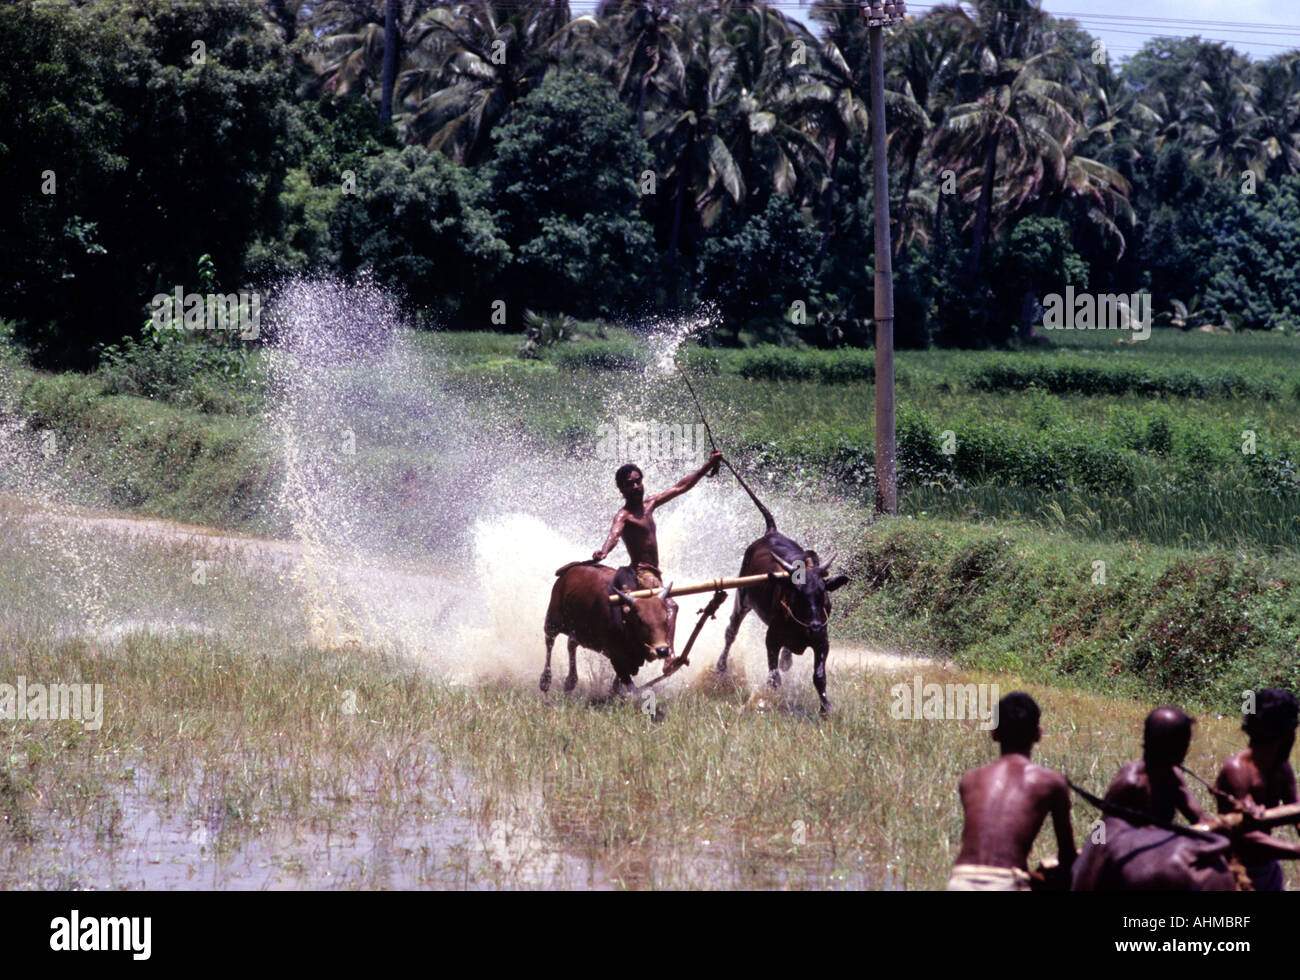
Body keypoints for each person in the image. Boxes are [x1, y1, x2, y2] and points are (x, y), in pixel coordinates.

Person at [592, 451, 723, 653]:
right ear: (621, 489)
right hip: (643, 572)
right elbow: (614, 534)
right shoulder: (624, 515)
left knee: (670, 606)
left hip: (654, 571)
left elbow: (681, 487)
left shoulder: (649, 505)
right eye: (630, 484)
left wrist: (708, 464)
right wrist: (603, 551)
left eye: (638, 482)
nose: (636, 487)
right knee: (671, 606)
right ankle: (668, 654)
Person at [948, 692, 1076, 891]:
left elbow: (991, 851)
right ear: (1038, 734)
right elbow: (1067, 857)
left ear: (993, 733)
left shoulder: (970, 780)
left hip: (960, 880)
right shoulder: (1051, 782)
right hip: (1007, 882)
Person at [1216, 687, 1300, 891]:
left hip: (1267, 869)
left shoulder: (1282, 768)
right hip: (1233, 873)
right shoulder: (1238, 770)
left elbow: (1296, 813)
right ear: (1282, 734)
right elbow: (1245, 836)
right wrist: (1295, 850)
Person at [1103, 706, 1209, 825]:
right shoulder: (1130, 783)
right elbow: (1105, 834)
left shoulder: (1171, 776)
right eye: (1184, 744)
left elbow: (1199, 818)